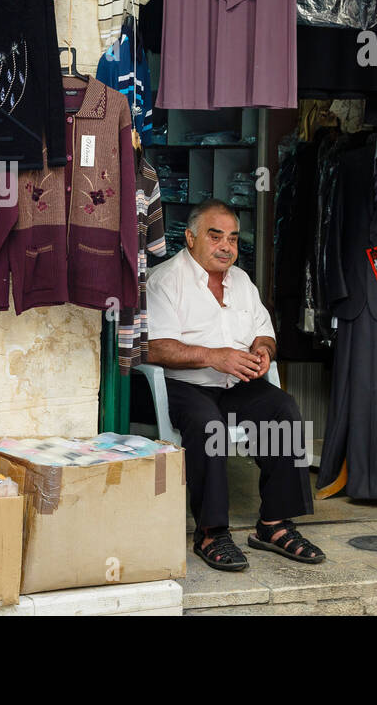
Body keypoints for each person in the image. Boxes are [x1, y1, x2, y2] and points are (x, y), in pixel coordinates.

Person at [146, 198, 324, 572]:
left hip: (235, 383)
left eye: (233, 238)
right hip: (184, 385)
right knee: (208, 425)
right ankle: (211, 533)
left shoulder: (241, 281)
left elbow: (266, 335)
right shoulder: (165, 280)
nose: (226, 246)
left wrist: (262, 351)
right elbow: (155, 348)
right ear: (191, 238)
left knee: (283, 410)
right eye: (216, 237)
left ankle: (273, 525)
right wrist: (214, 356)